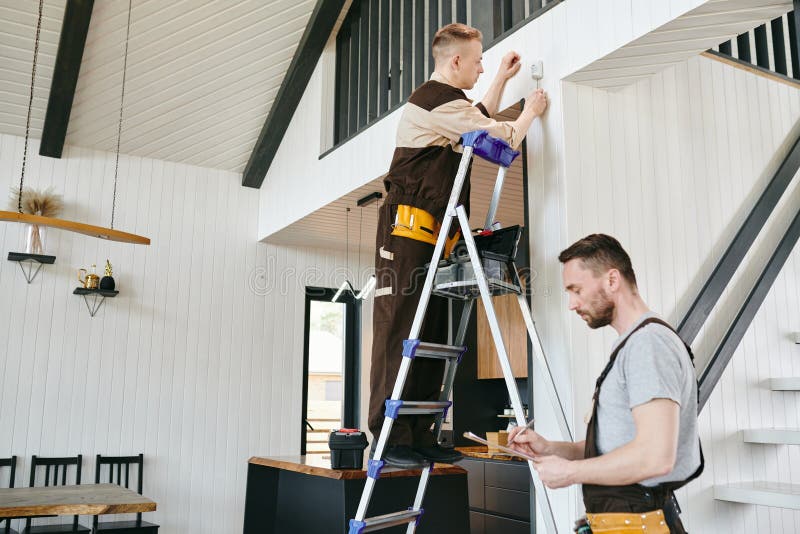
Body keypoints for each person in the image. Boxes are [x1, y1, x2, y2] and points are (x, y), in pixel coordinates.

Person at [370, 22, 548, 468]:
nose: (482, 65)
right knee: (400, 333)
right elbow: (496, 136)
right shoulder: (431, 101)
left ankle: (422, 433)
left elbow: (477, 118)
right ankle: (390, 439)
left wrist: (502, 81)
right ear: (456, 61)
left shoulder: (448, 105)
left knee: (430, 334)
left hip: (434, 240)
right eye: (478, 60)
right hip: (406, 235)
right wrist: (530, 111)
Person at [509, 234, 703, 533]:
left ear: (612, 280)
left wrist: (570, 473)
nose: (572, 304)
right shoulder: (633, 345)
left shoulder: (647, 345)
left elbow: (656, 457)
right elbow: (615, 445)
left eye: (576, 290)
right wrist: (550, 448)